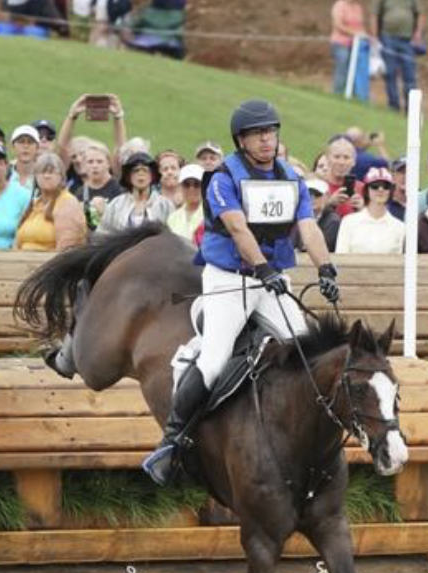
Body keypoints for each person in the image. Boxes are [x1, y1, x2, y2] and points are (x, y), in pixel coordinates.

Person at [141, 100, 340, 485]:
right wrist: (263, 269)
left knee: (305, 353)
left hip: (272, 278)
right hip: (229, 278)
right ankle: (171, 442)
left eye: (270, 132)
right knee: (215, 361)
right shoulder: (222, 179)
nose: (266, 140)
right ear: (241, 140)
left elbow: (309, 228)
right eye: (257, 134)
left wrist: (327, 268)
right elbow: (237, 229)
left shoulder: (291, 178)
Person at [14, 152, 87, 252]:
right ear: (35, 177)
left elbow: (66, 249)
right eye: (42, 172)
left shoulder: (67, 203)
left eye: (51, 172)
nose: (47, 176)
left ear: (61, 177)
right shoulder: (34, 204)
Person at [96, 151, 174, 236]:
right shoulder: (116, 205)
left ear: (152, 176)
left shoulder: (165, 205)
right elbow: (102, 233)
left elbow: (172, 235)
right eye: (136, 171)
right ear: (128, 177)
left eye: (145, 170)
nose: (141, 174)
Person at [336, 167, 404, 254]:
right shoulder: (348, 222)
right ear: (366, 190)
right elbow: (341, 256)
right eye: (375, 186)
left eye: (386, 186)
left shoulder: (399, 227)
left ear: (390, 191)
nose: (380, 190)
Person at [371, 0, 423, 113]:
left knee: (410, 75)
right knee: (390, 73)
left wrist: (418, 33)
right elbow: (375, 15)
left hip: (407, 40)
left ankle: (411, 109)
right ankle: (393, 106)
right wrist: (375, 37)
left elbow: (419, 14)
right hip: (387, 38)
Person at [77, 141, 123, 230]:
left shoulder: (119, 189)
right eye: (90, 162)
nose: (95, 166)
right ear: (84, 165)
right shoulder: (80, 192)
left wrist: (104, 211)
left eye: (99, 161)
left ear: (108, 164)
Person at [329, 0, 367, 96]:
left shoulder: (358, 7)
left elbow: (360, 25)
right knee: (342, 67)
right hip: (340, 43)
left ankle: (353, 95)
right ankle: (337, 94)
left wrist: (364, 35)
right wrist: (354, 33)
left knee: (354, 70)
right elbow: (338, 25)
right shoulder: (339, 5)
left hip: (355, 45)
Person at [324, 135, 364, 218]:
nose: (341, 162)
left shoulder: (363, 189)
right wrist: (329, 204)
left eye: (346, 157)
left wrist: (363, 211)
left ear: (353, 162)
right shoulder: (318, 185)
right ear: (328, 159)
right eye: (336, 157)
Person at [166, 163, 205, 242]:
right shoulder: (172, 218)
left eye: (197, 184)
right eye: (186, 184)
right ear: (180, 187)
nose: (191, 189)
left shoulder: (212, 215)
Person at [305, 177, 341, 251]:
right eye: (308, 194)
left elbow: (323, 247)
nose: (312, 198)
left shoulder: (333, 221)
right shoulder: (298, 217)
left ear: (326, 196)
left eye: (317, 194)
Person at [9, 125, 42, 190]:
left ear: (37, 147)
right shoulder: (4, 172)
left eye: (30, 142)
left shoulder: (43, 174)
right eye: (21, 142)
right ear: (13, 147)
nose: (26, 146)